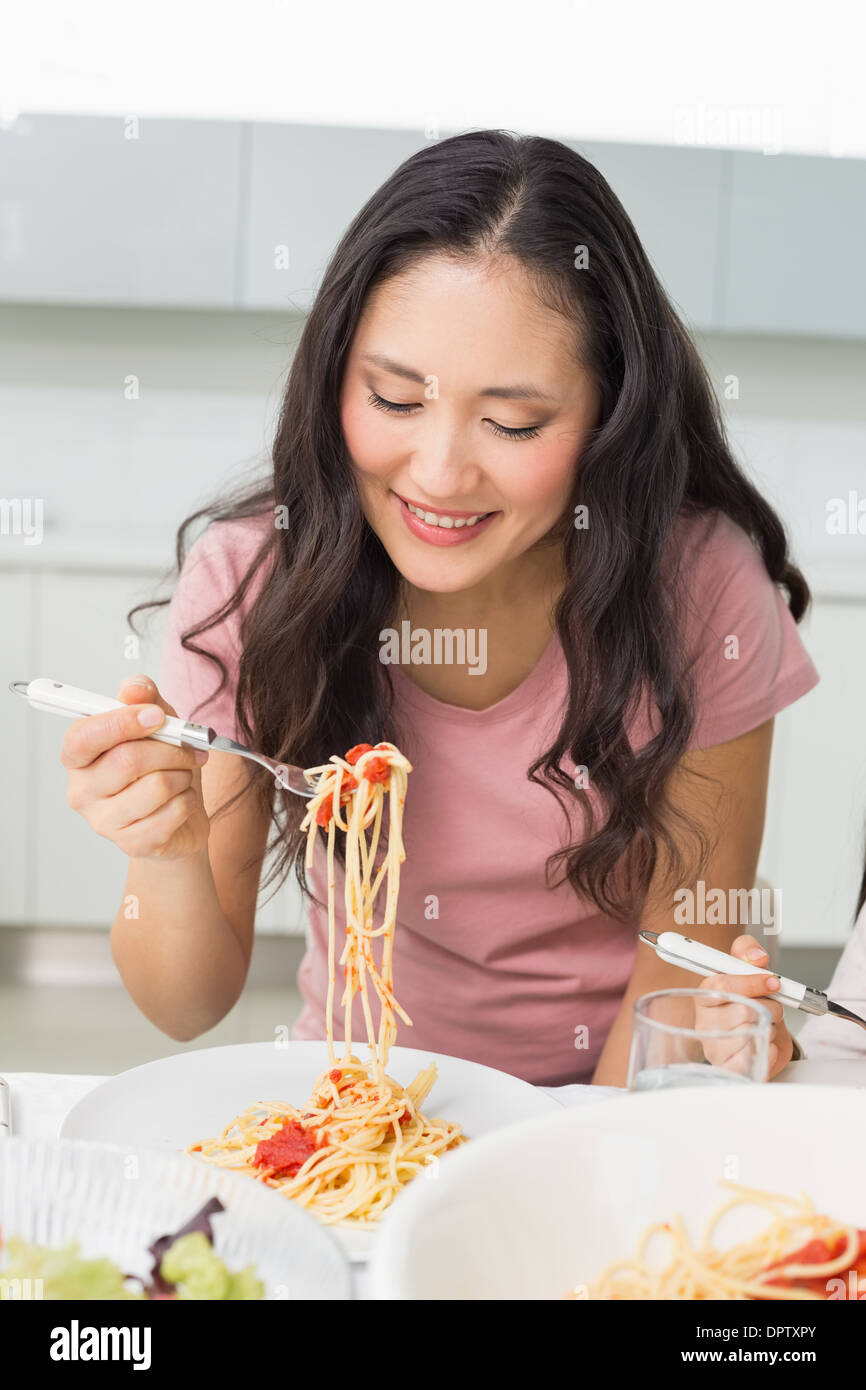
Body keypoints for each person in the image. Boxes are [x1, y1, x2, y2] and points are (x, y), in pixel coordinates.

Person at [60, 130, 819, 1087]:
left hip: (600, 1113)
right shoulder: (256, 579)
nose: (440, 474)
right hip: (356, 1107)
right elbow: (186, 1005)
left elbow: (671, 991)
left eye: (513, 423)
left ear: (610, 417)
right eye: (394, 399)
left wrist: (546, 1174)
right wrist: (167, 852)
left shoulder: (705, 587)